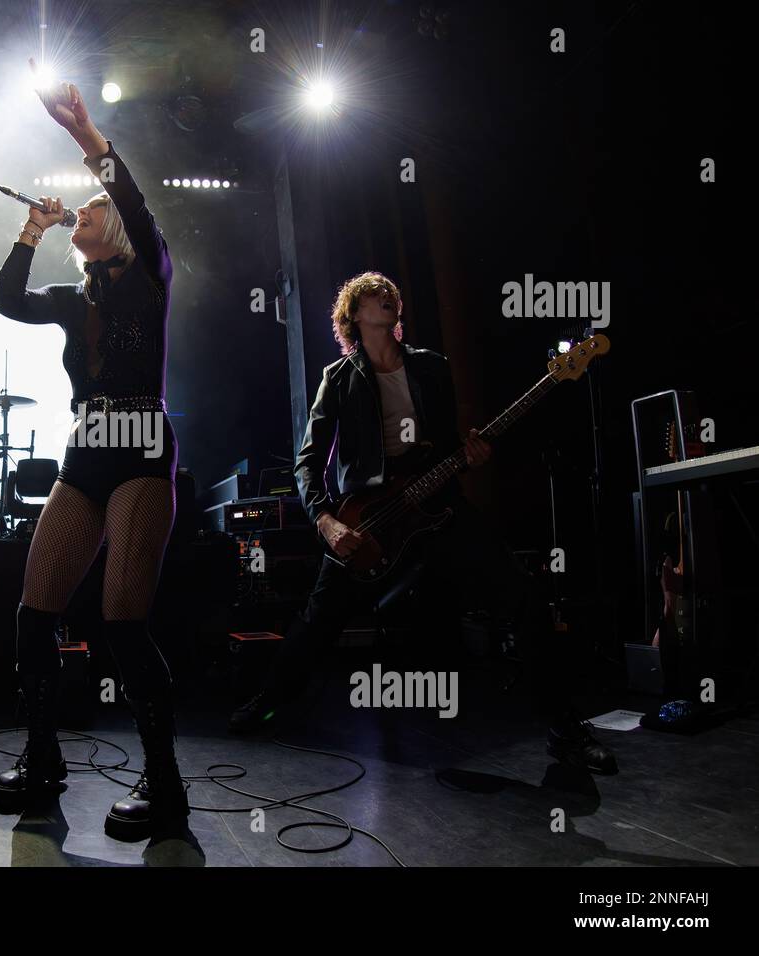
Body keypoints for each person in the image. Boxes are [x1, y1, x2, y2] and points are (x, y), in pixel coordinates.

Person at [229, 272, 617, 775]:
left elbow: (450, 445)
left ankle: (565, 729)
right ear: (353, 315)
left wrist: (471, 453)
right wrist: (325, 520)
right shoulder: (339, 378)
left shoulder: (432, 368)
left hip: (436, 508)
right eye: (373, 294)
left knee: (523, 596)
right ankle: (268, 702)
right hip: (369, 518)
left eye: (392, 292)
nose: (387, 296)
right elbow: (307, 461)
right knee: (316, 621)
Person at [0, 67, 188, 838]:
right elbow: (8, 302)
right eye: (88, 209)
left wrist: (80, 130)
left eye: (96, 209)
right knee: (34, 614)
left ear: (122, 232)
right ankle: (43, 761)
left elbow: (128, 193)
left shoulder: (151, 281)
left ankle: (164, 785)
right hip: (86, 452)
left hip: (141, 449)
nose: (91, 211)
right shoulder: (78, 300)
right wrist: (32, 230)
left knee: (122, 623)